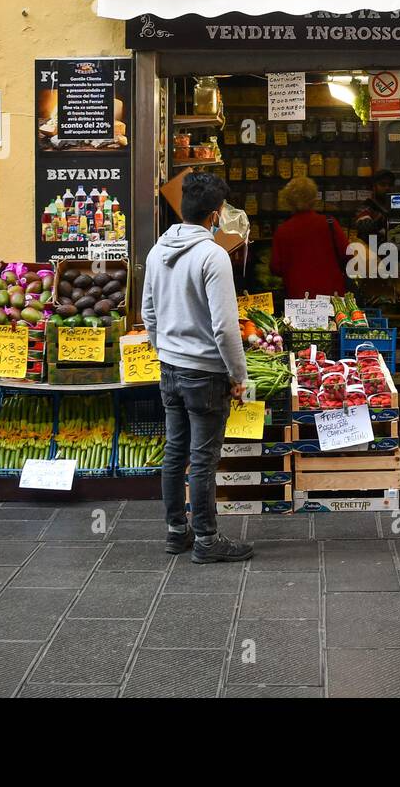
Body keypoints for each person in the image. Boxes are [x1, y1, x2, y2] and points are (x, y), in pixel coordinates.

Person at [142, 172, 254, 564]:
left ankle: (177, 532)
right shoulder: (213, 256)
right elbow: (225, 327)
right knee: (203, 457)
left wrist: (165, 349)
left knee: (175, 452)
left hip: (170, 368)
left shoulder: (158, 250)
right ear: (216, 214)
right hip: (205, 372)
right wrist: (239, 375)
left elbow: (148, 312)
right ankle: (207, 538)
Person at [271, 176, 350, 297]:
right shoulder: (329, 223)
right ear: (314, 198)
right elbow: (348, 254)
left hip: (299, 298)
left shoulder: (283, 231)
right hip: (332, 296)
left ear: (288, 200)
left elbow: (276, 268)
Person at [352, 169, 396, 241]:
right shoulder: (367, 206)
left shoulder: (396, 205)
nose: (387, 188)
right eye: (382, 184)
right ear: (374, 187)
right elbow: (364, 222)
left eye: (390, 185)